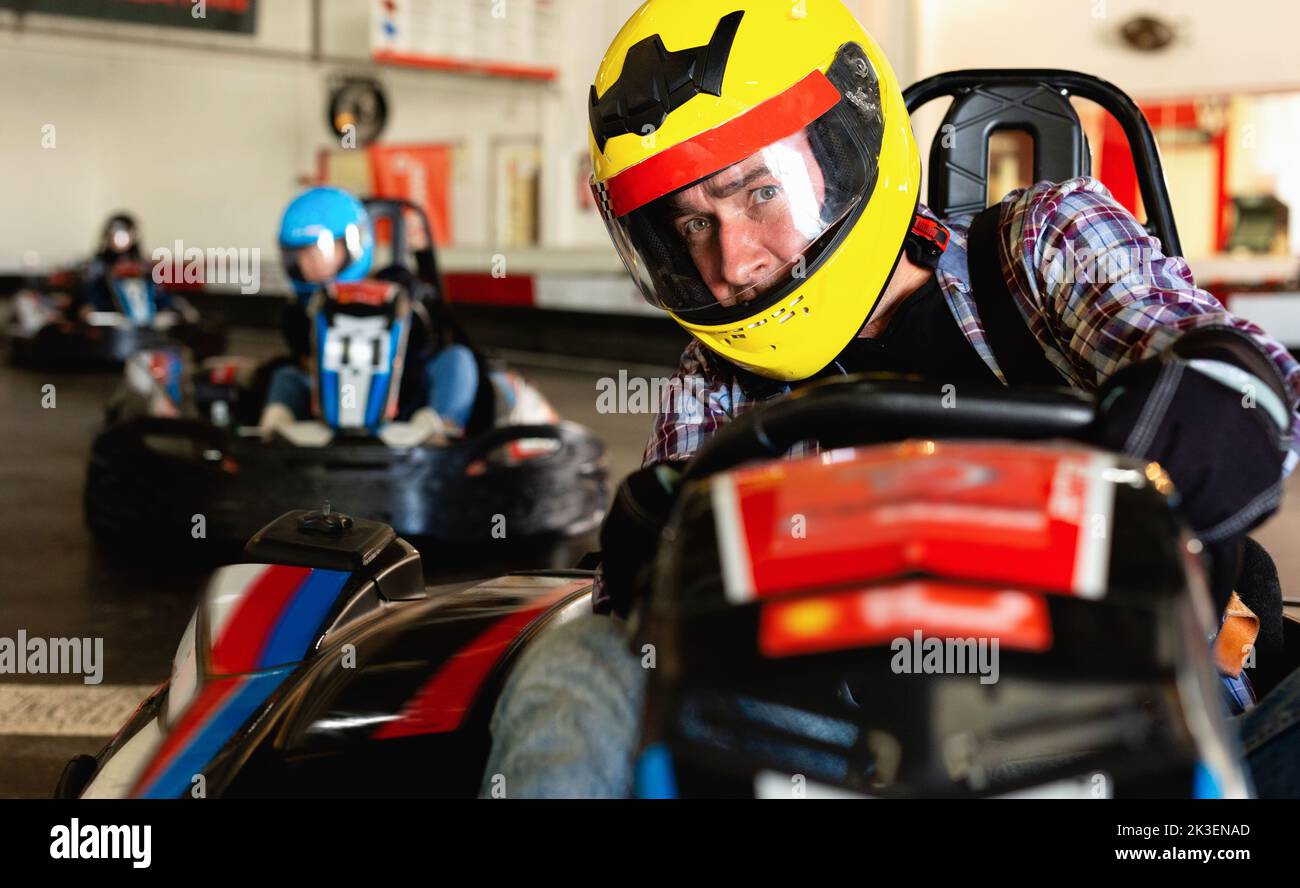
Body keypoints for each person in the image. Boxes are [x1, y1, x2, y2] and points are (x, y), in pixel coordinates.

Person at [481, 0, 1300, 797]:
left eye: (759, 193)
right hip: (832, 729)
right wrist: (649, 552)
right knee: (576, 658)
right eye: (693, 226)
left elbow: (1233, 367)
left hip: (1101, 708)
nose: (732, 264)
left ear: (849, 147)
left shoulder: (1043, 242)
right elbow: (657, 609)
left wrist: (1207, 400)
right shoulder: (718, 371)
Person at [259, 186, 509, 442]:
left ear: (353, 244)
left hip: (404, 411)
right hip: (328, 414)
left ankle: (437, 432)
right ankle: (273, 435)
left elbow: (439, 320)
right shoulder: (298, 313)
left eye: (320, 250)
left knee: (458, 359)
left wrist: (418, 276)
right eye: (301, 254)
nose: (310, 262)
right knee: (284, 374)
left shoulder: (394, 286)